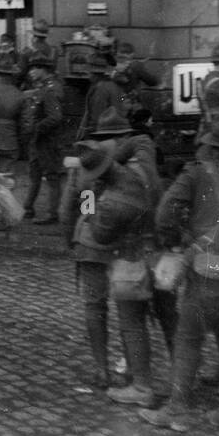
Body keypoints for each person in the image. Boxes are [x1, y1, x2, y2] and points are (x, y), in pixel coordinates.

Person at [141, 119, 219, 433]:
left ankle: (178, 409)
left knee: (189, 338)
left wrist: (176, 240)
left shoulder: (195, 175)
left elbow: (165, 213)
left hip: (207, 275)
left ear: (211, 148)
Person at [59, 109, 162, 396]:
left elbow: (68, 207)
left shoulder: (86, 162)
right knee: (129, 312)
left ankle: (102, 369)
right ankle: (131, 369)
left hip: (91, 243)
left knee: (95, 306)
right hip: (125, 245)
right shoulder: (138, 161)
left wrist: (71, 240)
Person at [20, 58, 64, 223]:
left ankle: (52, 214)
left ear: (44, 70)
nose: (30, 72)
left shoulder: (51, 89)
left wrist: (37, 128)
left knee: (52, 177)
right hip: (38, 141)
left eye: (34, 68)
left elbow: (55, 117)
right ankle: (28, 209)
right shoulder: (43, 88)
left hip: (47, 141)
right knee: (34, 175)